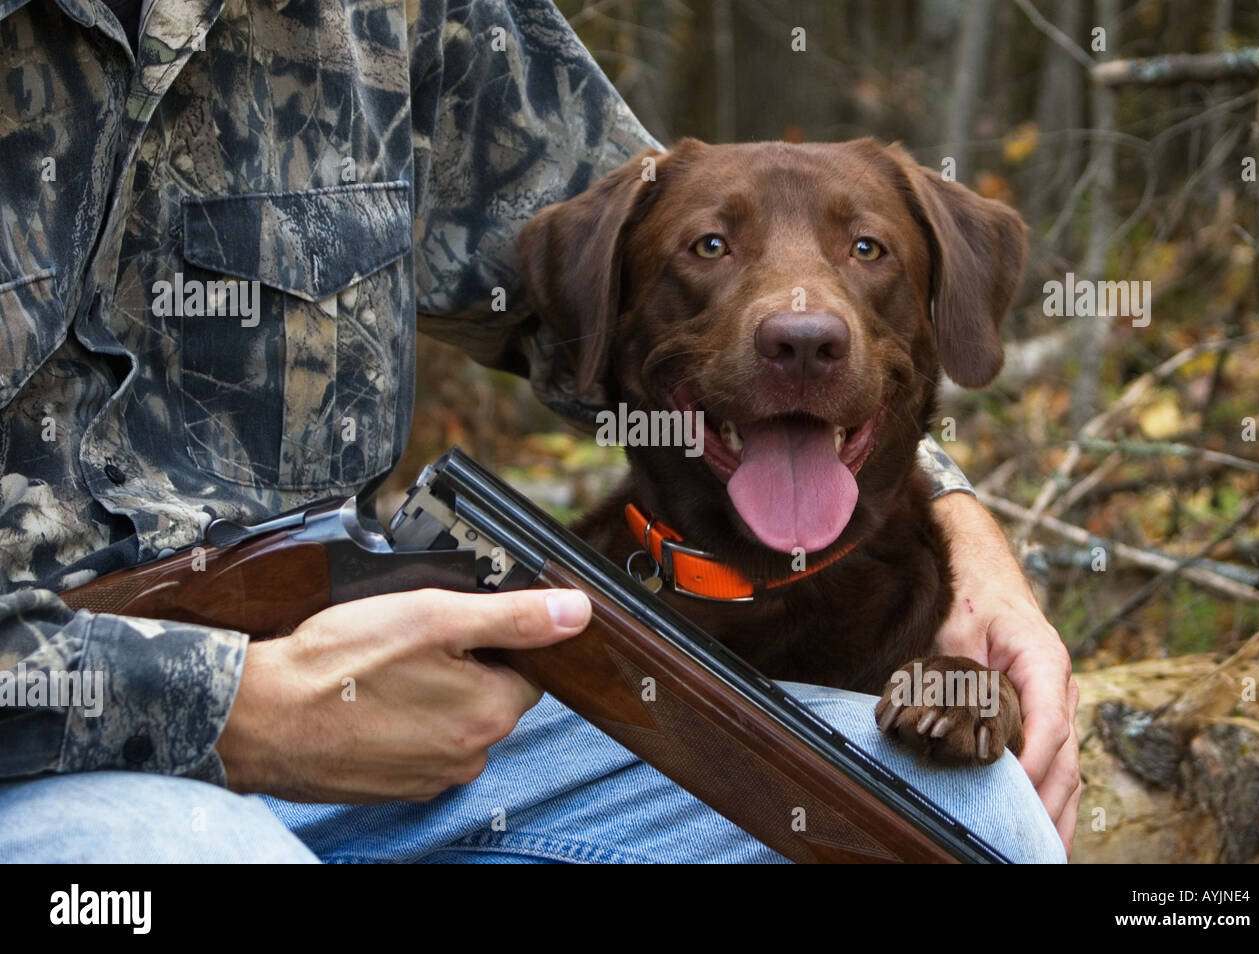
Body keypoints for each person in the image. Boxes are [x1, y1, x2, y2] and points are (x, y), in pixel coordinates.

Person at [0, 0, 1078, 862]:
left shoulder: (392, 16)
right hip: (49, 762)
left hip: (394, 717)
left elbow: (651, 261)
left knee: (973, 816)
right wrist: (231, 709)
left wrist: (955, 535)